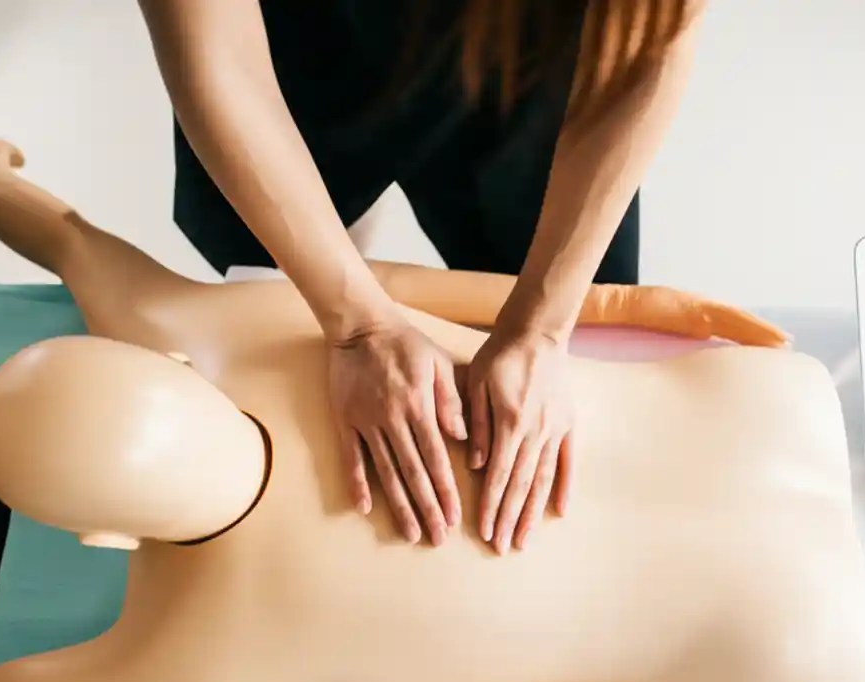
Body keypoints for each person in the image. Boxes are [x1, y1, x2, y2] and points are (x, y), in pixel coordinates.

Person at [0, 136, 865, 682]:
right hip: (773, 406)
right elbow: (78, 242)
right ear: (150, 365)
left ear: (102, 538)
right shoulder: (205, 325)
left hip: (789, 643)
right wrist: (636, 299)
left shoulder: (212, 664)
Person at [137, 0, 705, 552]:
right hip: (300, 45)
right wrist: (359, 327)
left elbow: (646, 47)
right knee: (285, 321)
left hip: (524, 56)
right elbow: (221, 59)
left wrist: (542, 331)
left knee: (577, 378)